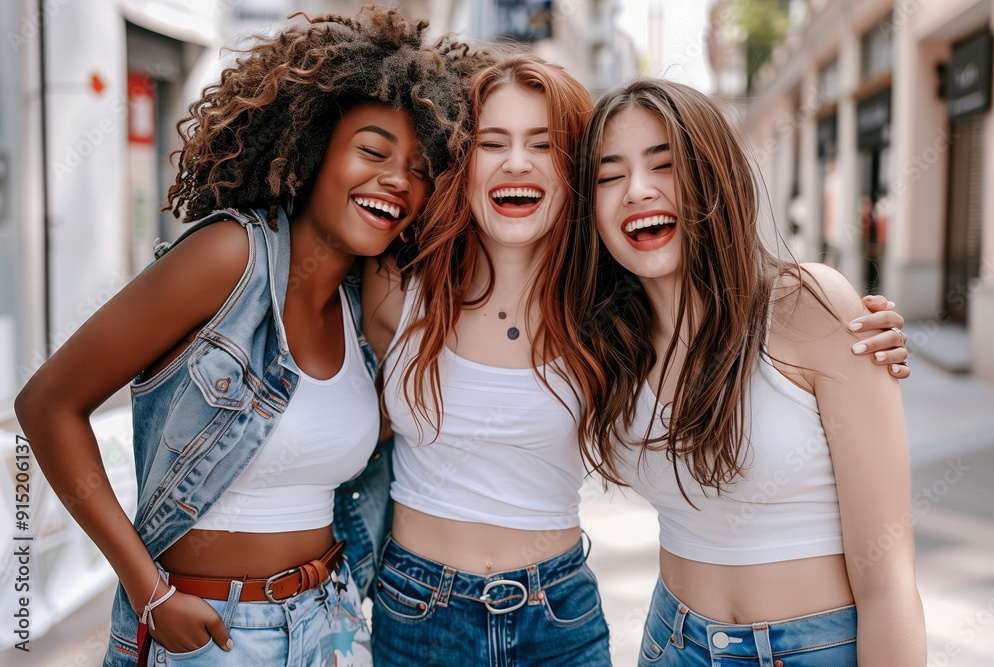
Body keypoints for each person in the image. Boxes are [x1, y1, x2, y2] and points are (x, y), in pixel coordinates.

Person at [362, 55, 909, 666]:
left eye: (542, 145)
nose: (638, 190)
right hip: (641, 636)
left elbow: (889, 575)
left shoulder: (620, 318)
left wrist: (858, 337)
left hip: (572, 614)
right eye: (493, 143)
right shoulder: (409, 284)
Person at [14, 7, 487, 666]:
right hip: (216, 633)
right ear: (313, 148)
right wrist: (148, 591)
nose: (397, 181)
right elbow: (47, 404)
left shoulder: (363, 304)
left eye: (419, 168)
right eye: (372, 151)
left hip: (332, 622)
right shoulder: (230, 257)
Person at [576, 79, 925, 666]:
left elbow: (888, 579)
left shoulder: (807, 305)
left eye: (665, 165)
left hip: (811, 649)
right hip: (672, 643)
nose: (636, 190)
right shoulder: (610, 339)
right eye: (609, 176)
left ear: (716, 178)